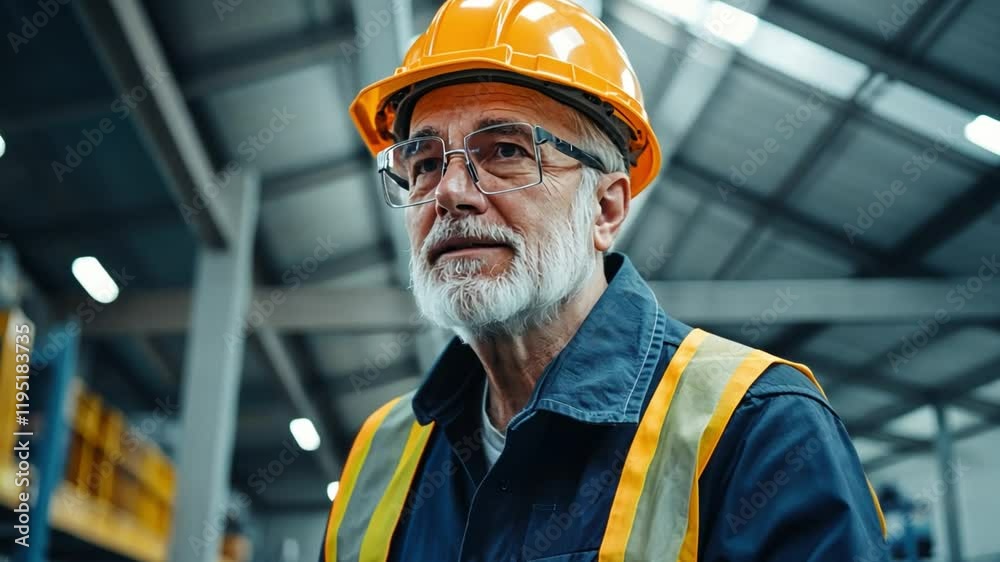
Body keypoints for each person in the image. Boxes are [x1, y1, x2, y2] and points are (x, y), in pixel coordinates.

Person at [320, 0, 887, 560]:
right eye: (423, 164)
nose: (448, 193)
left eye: (507, 151)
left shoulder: (758, 430)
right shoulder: (380, 454)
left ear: (606, 209)